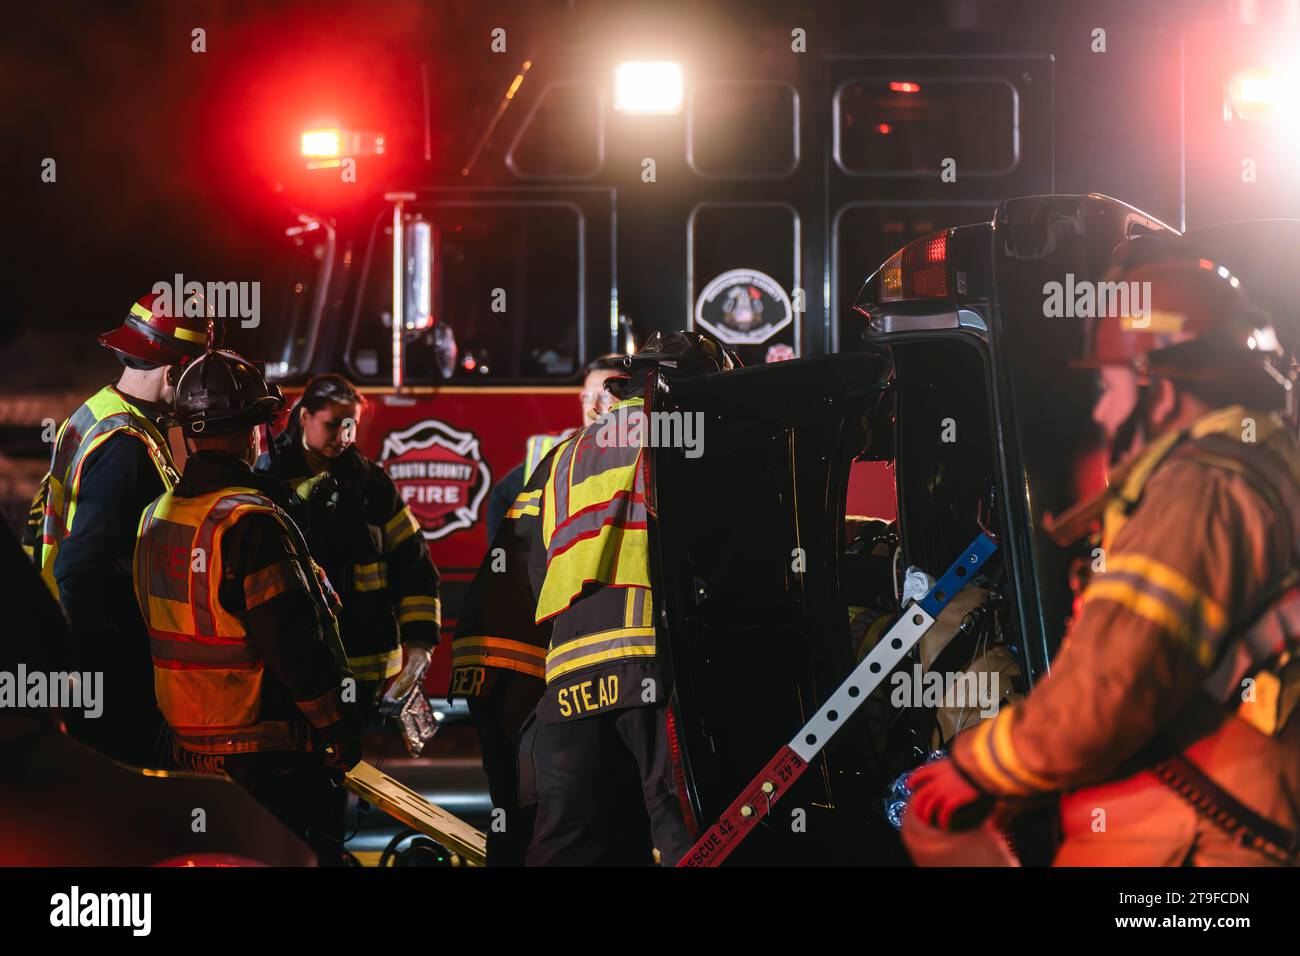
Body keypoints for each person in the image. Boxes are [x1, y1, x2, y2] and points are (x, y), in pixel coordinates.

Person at [905, 252, 1300, 866]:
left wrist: (978, 770)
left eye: (1107, 387)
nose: (1099, 412)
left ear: (1160, 388)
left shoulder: (1199, 493)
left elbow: (1112, 688)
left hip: (1202, 834)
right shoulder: (1255, 471)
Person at [516, 331, 737, 866]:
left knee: (572, 842)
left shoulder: (565, 455)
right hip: (647, 667)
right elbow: (720, 547)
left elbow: (535, 564)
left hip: (569, 678)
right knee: (687, 830)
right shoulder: (680, 432)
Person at [132, 350, 362, 863]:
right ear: (256, 432)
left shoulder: (156, 516)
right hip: (264, 761)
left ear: (189, 434)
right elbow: (294, 646)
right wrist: (340, 727)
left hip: (185, 753)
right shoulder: (251, 523)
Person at [24, 292, 209, 766]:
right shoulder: (126, 446)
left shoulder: (97, 413)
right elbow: (82, 569)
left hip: (70, 650)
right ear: (174, 372)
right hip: (105, 663)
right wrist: (103, 675)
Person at [256, 374, 442, 725]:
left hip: (364, 666)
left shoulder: (372, 483)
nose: (343, 437)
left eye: (350, 425)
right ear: (304, 416)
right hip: (295, 663)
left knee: (351, 763)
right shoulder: (268, 479)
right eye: (332, 425)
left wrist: (420, 645)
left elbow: (413, 563)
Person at [450, 461, 553, 865]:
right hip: (523, 655)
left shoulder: (552, 461)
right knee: (551, 807)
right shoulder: (609, 461)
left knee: (509, 807)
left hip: (483, 643)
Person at [485, 354, 627, 542]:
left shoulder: (644, 449)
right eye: (587, 397)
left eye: (605, 396)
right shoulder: (553, 450)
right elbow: (501, 498)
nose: (592, 407)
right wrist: (506, 566)